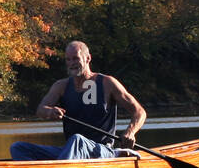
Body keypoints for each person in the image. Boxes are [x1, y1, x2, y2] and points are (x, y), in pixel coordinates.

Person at [10, 41, 147, 161]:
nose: (71, 63)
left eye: (75, 58)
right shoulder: (61, 86)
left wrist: (130, 132)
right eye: (68, 60)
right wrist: (49, 111)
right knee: (18, 148)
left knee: (77, 140)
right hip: (72, 150)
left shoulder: (107, 83)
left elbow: (139, 112)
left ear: (88, 58)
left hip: (101, 149)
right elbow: (41, 109)